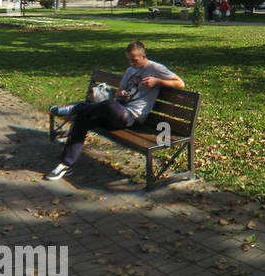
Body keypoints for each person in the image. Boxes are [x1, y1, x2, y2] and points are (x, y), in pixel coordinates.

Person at [45, 40, 185, 180]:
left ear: (143, 56)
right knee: (83, 119)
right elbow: (118, 92)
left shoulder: (155, 68)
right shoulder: (130, 70)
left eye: (134, 60)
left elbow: (180, 84)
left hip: (131, 117)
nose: (131, 63)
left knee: (108, 105)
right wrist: (121, 94)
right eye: (129, 60)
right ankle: (65, 164)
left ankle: (76, 108)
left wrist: (157, 82)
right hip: (116, 112)